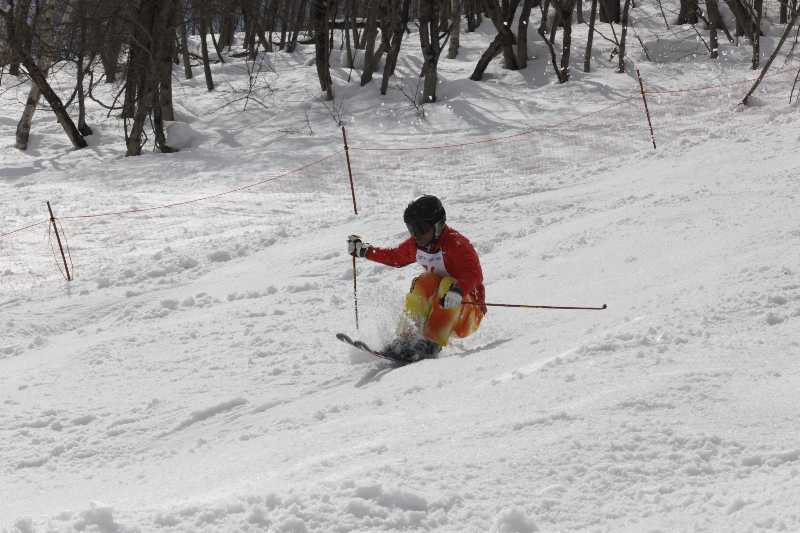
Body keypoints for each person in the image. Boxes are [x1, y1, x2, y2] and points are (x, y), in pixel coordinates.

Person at [347, 195, 487, 360]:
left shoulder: (456, 244)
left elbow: (474, 274)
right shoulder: (418, 244)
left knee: (448, 284)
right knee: (424, 281)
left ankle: (430, 344)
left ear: (437, 225)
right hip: (440, 312)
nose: (416, 235)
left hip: (468, 314)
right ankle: (405, 338)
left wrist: (458, 291)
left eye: (421, 228)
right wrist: (364, 251)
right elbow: (395, 257)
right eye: (412, 229)